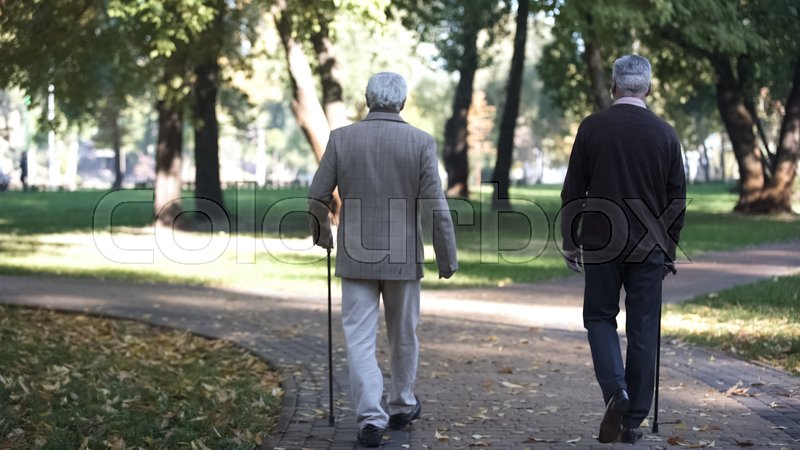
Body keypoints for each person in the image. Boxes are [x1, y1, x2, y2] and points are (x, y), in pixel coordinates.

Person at [308, 72, 458, 448]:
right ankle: (402, 405)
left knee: (358, 339)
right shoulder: (421, 142)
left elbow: (317, 195)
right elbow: (436, 205)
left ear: (367, 99)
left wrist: (323, 234)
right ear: (402, 102)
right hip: (403, 256)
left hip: (355, 254)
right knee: (404, 335)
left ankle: (370, 419)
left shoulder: (342, 139)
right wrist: (446, 255)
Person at [560, 55, 686, 444]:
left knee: (599, 317)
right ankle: (632, 421)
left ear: (614, 86)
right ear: (647, 88)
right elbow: (676, 199)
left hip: (600, 240)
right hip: (649, 244)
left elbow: (573, 189)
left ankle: (616, 390)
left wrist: (570, 239)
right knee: (645, 327)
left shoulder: (592, 128)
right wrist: (668, 247)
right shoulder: (665, 134)